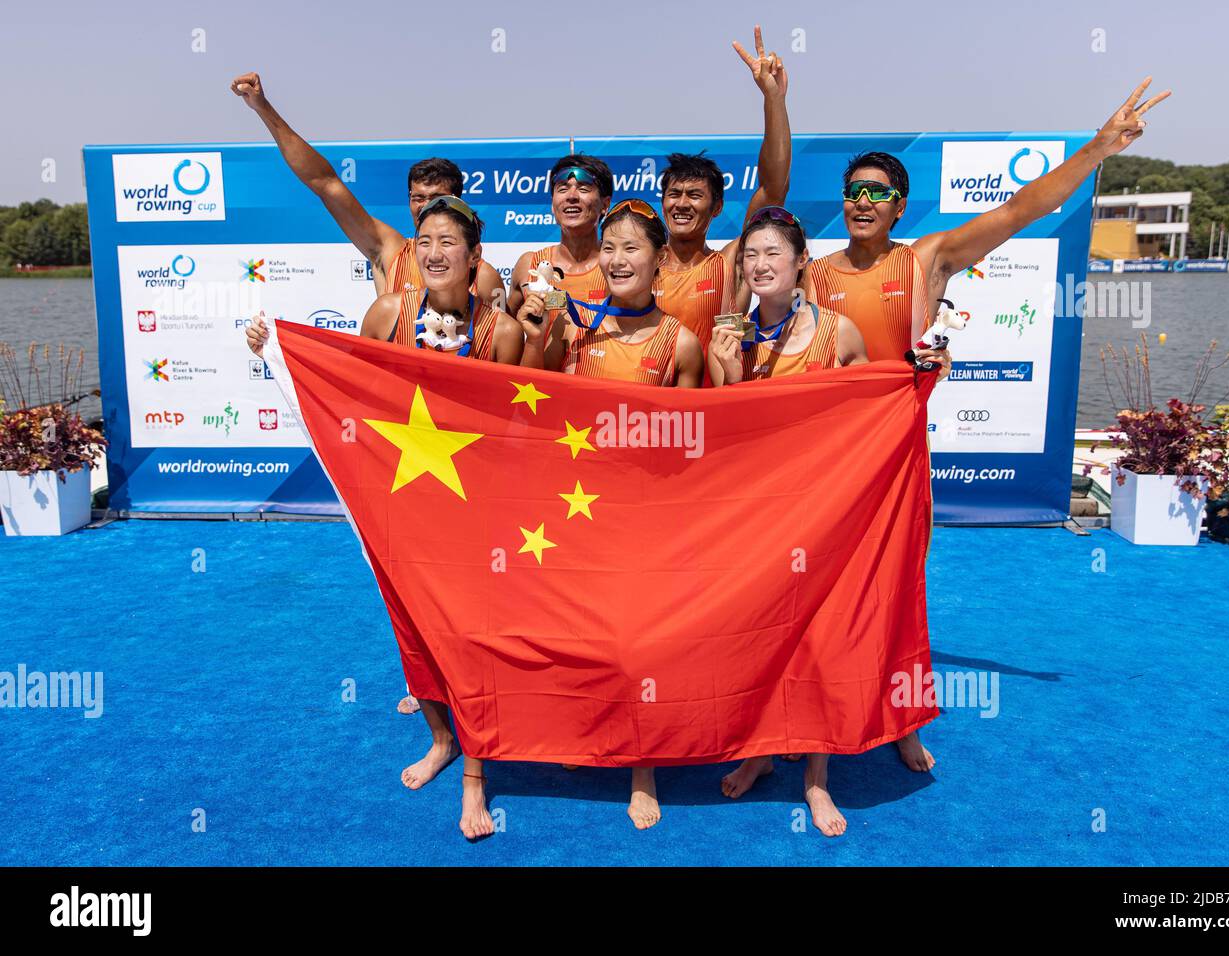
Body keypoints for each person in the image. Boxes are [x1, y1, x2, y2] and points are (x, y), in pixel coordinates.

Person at [802, 76, 1171, 775]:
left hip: (897, 454)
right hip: (824, 460)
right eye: (855, 191)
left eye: (878, 192)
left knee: (898, 591)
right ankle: (809, 717)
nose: (863, 201)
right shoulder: (811, 276)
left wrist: (1100, 145)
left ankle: (900, 722)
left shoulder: (928, 259)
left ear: (899, 206)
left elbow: (1021, 208)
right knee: (820, 589)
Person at [247, 196, 536, 840]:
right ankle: (442, 739)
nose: (433, 252)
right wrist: (281, 353)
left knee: (474, 635)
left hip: (475, 511)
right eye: (425, 240)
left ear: (474, 257)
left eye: (448, 242)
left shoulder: (504, 331)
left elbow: (520, 426)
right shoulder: (388, 312)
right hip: (402, 504)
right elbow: (346, 386)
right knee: (413, 629)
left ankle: (477, 776)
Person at [705, 206, 948, 836]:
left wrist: (920, 378)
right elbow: (722, 433)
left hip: (823, 516)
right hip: (754, 513)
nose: (759, 266)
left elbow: (870, 414)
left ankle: (816, 780)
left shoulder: (838, 333)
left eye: (772, 255)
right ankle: (758, 752)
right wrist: (727, 373)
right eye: (750, 256)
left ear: (800, 265)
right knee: (755, 634)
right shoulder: (726, 334)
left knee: (818, 640)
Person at [533, 198, 702, 828]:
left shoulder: (680, 341)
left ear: (660, 263)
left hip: (646, 520)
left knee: (640, 651)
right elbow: (531, 398)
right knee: (582, 637)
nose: (617, 258)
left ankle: (642, 766)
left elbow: (694, 443)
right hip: (579, 515)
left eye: (632, 248)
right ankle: (585, 734)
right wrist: (543, 329)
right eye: (609, 248)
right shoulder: (578, 328)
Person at [230, 71, 504, 305]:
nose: (425, 206)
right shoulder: (388, 250)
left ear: (457, 201)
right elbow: (325, 183)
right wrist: (263, 108)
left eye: (436, 198)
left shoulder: (483, 276)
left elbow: (496, 358)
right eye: (418, 197)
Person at [654, 26, 791, 345]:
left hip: (716, 394)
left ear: (716, 207)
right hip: (649, 395)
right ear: (663, 203)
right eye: (674, 194)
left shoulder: (733, 264)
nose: (682, 204)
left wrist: (774, 99)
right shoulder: (640, 263)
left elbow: (773, 190)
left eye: (694, 195)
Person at [506, 154, 613, 319]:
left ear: (605, 205)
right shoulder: (529, 265)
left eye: (583, 188)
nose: (571, 196)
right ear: (552, 204)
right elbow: (506, 329)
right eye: (562, 189)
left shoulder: (617, 266)